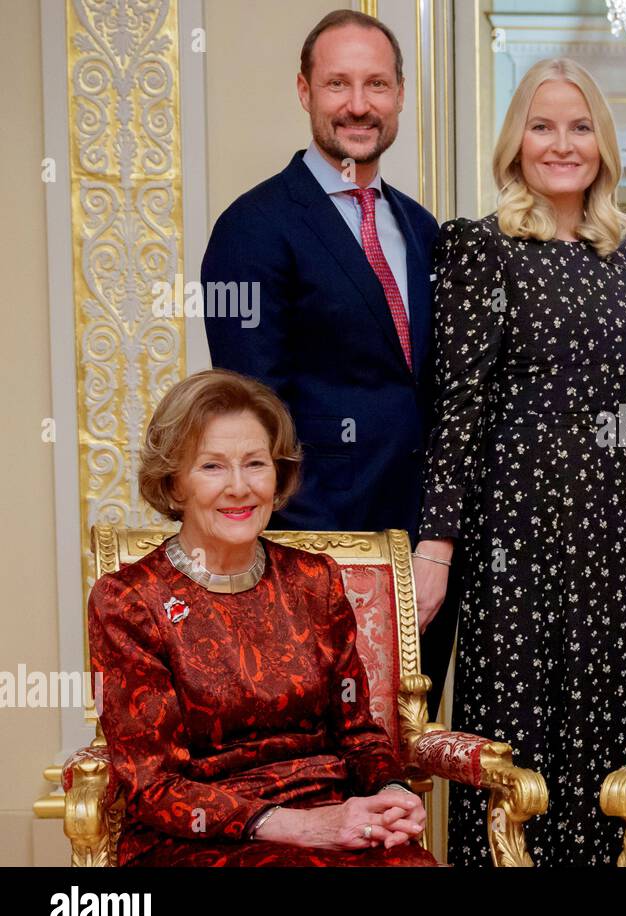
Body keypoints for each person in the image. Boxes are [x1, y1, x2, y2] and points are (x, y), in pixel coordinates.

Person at [411, 57, 626, 866]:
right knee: (517, 752)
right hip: (513, 545)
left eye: (581, 125)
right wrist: (436, 548)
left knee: (613, 752)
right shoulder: (477, 249)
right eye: (542, 125)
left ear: (604, 143)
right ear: (515, 142)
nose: (562, 144)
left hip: (614, 546)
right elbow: (457, 413)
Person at [200, 9, 459, 704]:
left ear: (400, 94)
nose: (358, 104)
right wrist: (316, 563)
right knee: (318, 782)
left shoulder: (421, 227)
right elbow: (250, 419)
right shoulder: (251, 227)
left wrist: (433, 544)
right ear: (304, 91)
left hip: (420, 559)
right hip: (310, 562)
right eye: (337, 83)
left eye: (376, 84)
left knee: (400, 772)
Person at [89, 370, 435, 866]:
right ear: (173, 483)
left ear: (279, 476)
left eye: (255, 464)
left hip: (334, 815)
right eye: (211, 466)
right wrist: (302, 828)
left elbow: (358, 734)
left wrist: (391, 792)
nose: (239, 487)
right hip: (198, 838)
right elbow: (153, 786)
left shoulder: (314, 580)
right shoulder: (129, 601)